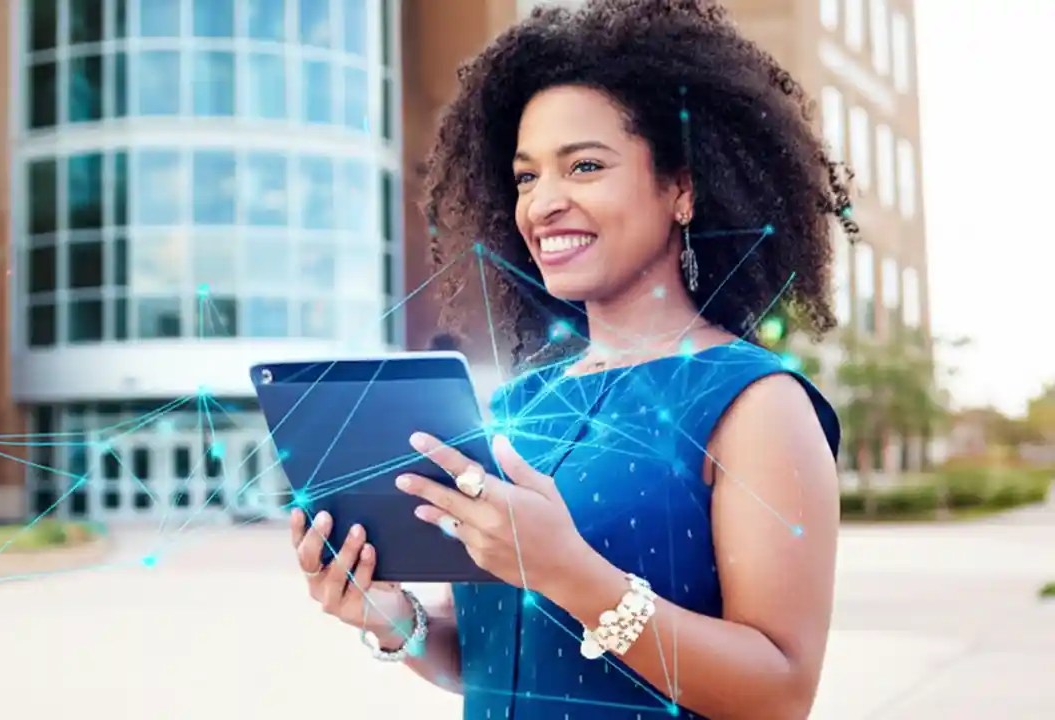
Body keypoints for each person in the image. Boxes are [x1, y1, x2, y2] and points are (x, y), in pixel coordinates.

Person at [289, 0, 851, 717]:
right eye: (526, 178)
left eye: (584, 166)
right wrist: (393, 619)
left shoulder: (757, 404)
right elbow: (494, 658)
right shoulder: (519, 405)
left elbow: (779, 694)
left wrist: (570, 572)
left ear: (681, 189)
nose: (543, 204)